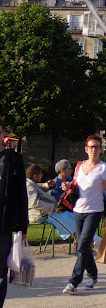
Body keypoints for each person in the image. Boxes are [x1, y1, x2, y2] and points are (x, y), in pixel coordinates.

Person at [62, 134, 106, 294]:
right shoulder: (79, 166)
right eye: (90, 147)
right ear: (86, 149)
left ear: (100, 150)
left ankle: (73, 282)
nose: (93, 150)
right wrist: (68, 185)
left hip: (94, 211)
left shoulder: (103, 168)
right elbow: (77, 185)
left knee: (83, 244)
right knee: (82, 246)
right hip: (78, 210)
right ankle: (92, 275)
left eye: (96, 147)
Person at [0, 119, 28, 308]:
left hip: (4, 224)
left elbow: (21, 194)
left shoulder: (13, 160)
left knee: (1, 271)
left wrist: (22, 225)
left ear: (3, 135)